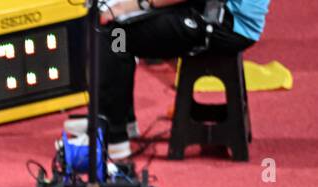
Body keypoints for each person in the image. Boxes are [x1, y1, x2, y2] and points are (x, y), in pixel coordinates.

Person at [68, 0, 270, 158]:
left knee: (115, 33)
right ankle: (118, 119)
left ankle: (113, 138)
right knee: (103, 13)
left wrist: (135, 4)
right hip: (211, 8)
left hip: (223, 22)